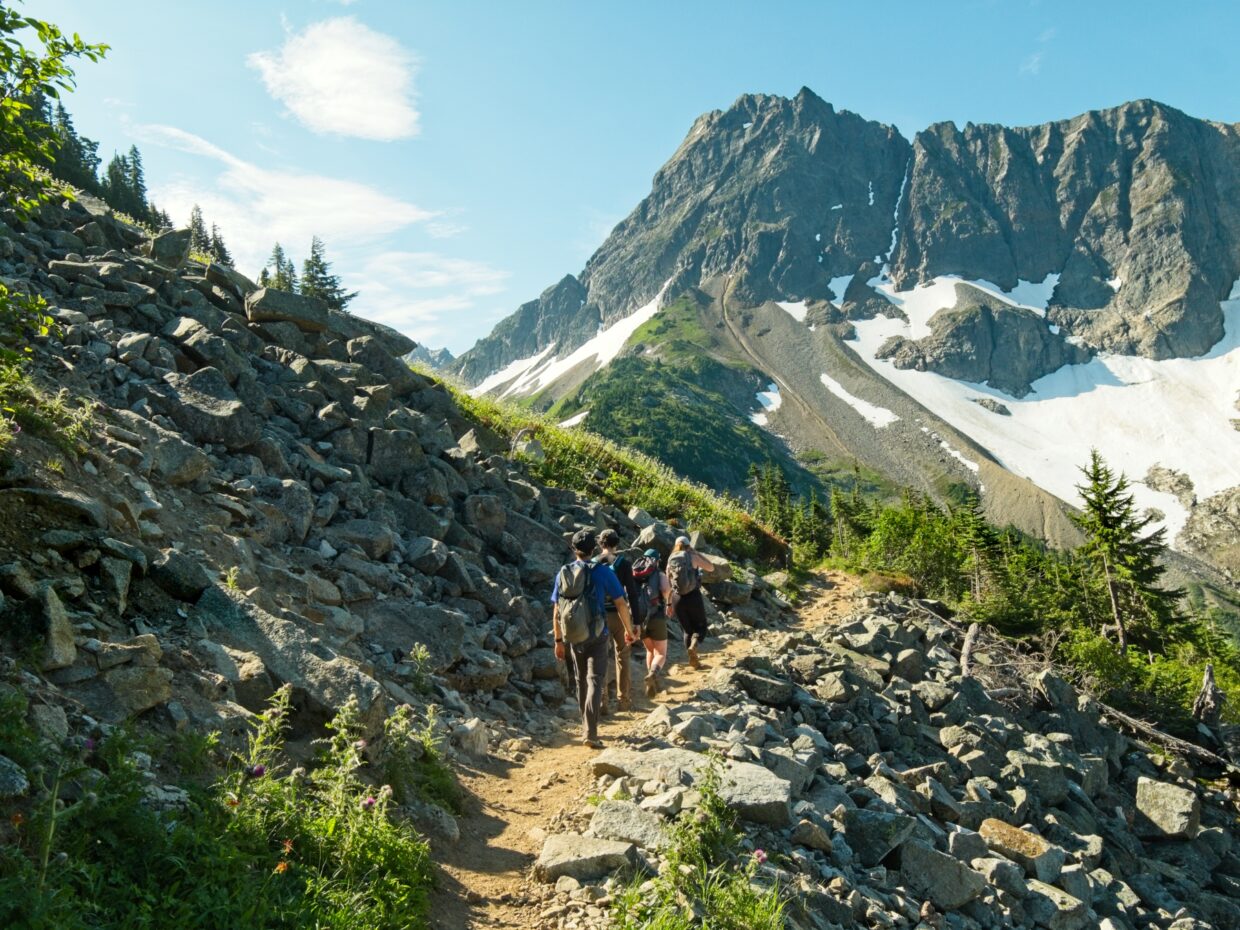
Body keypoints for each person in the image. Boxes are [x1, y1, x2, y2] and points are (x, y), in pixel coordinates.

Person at [551, 529, 635, 748]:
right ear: (594, 549)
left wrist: (558, 641)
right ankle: (590, 731)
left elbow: (557, 610)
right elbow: (621, 603)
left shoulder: (563, 572)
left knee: (581, 681)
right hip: (597, 634)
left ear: (573, 549)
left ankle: (586, 727)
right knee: (595, 679)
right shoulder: (603, 572)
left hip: (573, 635)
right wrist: (628, 630)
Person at [597, 528, 638, 712]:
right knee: (623, 656)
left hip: (599, 616)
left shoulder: (593, 562)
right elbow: (632, 594)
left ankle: (602, 701)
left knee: (601, 657)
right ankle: (624, 700)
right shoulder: (623, 563)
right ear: (616, 544)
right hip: (620, 615)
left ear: (600, 543)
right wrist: (636, 622)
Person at [666, 535, 715, 669]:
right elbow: (711, 567)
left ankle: (693, 660)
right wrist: (697, 553)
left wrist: (668, 603)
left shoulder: (671, 559)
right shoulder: (692, 556)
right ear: (689, 545)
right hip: (693, 596)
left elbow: (669, 583)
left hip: (677, 598)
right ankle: (694, 645)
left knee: (687, 630)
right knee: (701, 627)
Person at [635, 548, 671, 697]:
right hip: (656, 615)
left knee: (650, 650)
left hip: (639, 618)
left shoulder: (635, 572)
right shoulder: (659, 573)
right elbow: (666, 589)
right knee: (661, 652)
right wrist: (667, 601)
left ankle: (652, 684)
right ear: (657, 560)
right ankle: (653, 674)